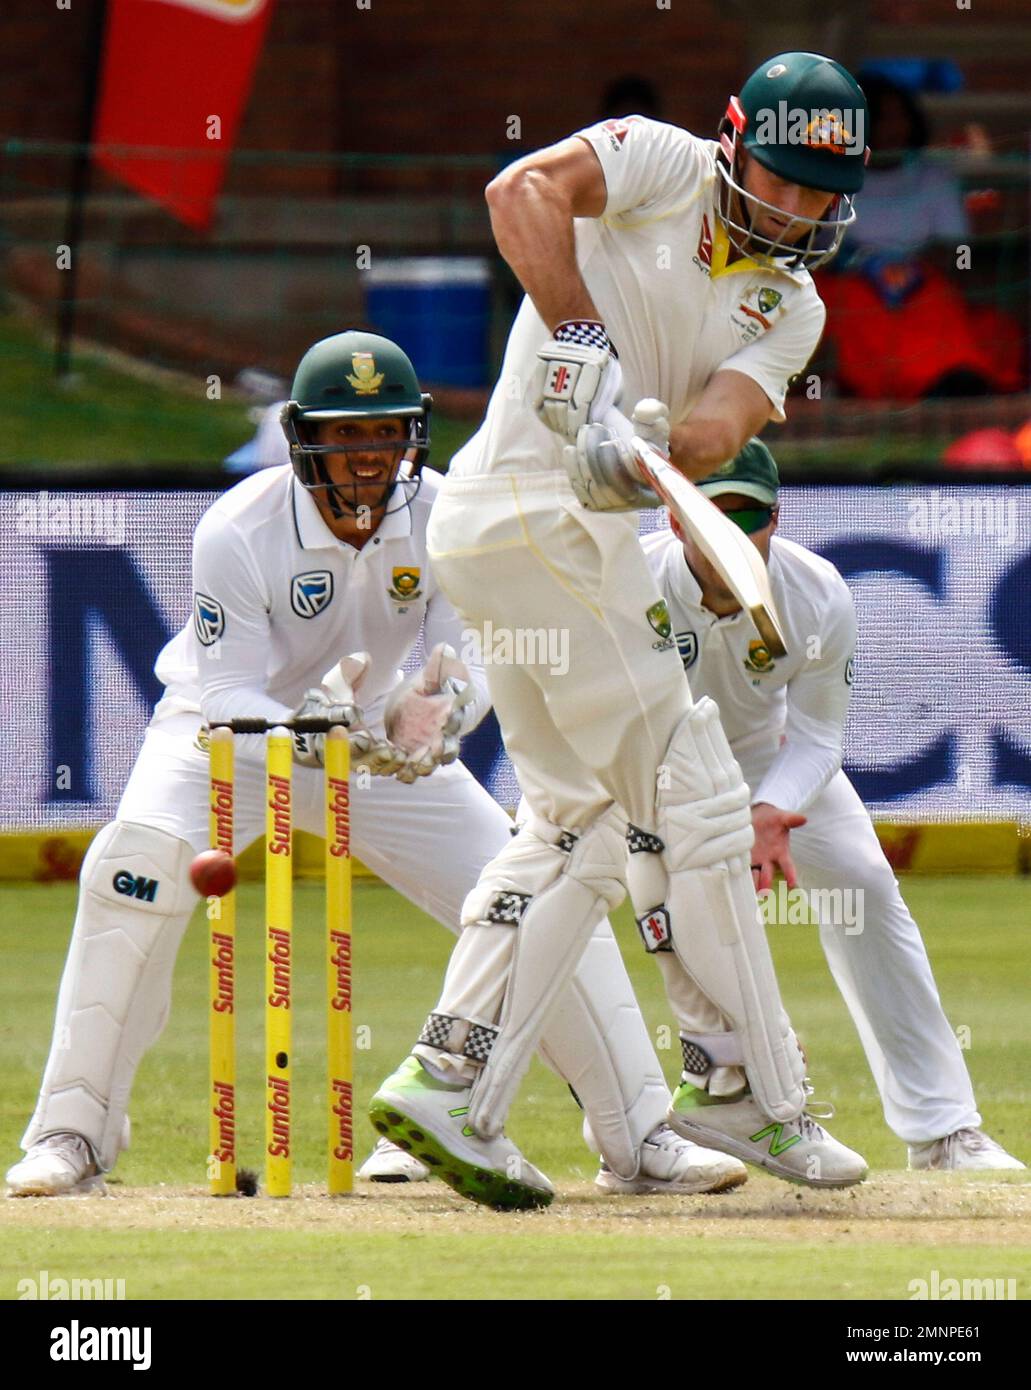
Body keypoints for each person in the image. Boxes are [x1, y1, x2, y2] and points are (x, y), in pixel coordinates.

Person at [6, 331, 742, 1200]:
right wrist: (326, 735)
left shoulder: (442, 511)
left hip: (381, 750)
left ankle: (639, 1135)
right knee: (131, 872)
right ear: (302, 436)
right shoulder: (237, 528)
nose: (367, 457)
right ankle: (72, 1133)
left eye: (384, 433)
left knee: (538, 890)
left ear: (412, 435)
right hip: (225, 741)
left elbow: (471, 648)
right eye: (346, 436)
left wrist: (441, 711)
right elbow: (233, 691)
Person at [370, 53, 874, 1209]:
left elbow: (714, 429)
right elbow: (518, 194)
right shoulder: (658, 161)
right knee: (692, 798)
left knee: (574, 823)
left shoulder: (791, 308)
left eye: (816, 191)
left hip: (555, 535)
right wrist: (579, 331)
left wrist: (643, 449)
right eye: (778, 177)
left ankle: (451, 1083)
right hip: (524, 518)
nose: (791, 208)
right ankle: (755, 1092)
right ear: (734, 143)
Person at [641, 438, 1023, 1172]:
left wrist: (767, 811)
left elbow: (817, 737)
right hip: (649, 763)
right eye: (710, 515)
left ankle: (942, 1131)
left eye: (745, 517)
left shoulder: (815, 592)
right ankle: (558, 1114)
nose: (729, 537)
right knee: (568, 891)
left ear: (776, 517)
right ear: (674, 517)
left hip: (763, 755)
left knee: (863, 882)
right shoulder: (632, 582)